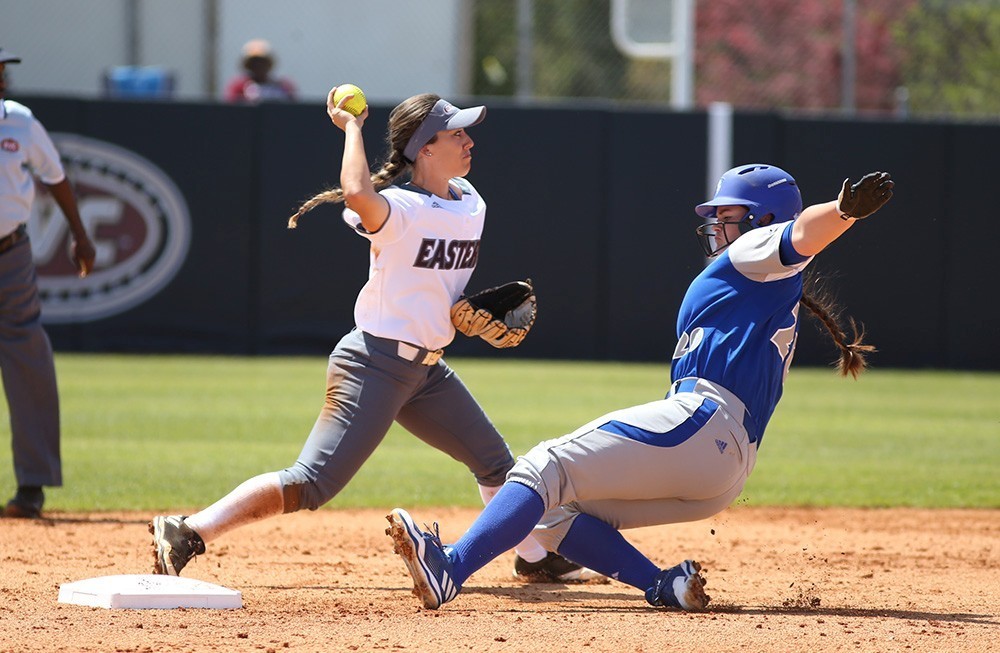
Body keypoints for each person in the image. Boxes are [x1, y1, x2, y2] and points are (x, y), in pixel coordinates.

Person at [386, 163, 894, 611]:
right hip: (722, 470)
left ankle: (450, 567)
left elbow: (802, 232)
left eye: (730, 214)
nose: (716, 224)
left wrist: (844, 210)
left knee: (542, 467)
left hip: (702, 421)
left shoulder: (755, 253)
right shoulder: (764, 281)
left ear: (763, 221)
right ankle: (663, 586)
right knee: (550, 512)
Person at [148, 86, 597, 584]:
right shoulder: (398, 210)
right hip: (374, 365)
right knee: (312, 483)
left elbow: (429, 279)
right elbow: (359, 193)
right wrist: (353, 128)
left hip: (428, 370)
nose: (469, 140)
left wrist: (456, 313)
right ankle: (188, 530)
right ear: (425, 148)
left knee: (497, 465)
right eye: (457, 133)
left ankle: (534, 555)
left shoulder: (471, 200)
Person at [0, 48, 96, 518]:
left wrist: (80, 235)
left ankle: (32, 486)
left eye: (3, 68)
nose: (1, 77)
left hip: (9, 254)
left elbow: (56, 177)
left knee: (28, 355)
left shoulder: (19, 122)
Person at [224, 39, 297, 104]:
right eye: (255, 62)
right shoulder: (239, 87)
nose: (258, 65)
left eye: (262, 62)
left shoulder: (283, 87)